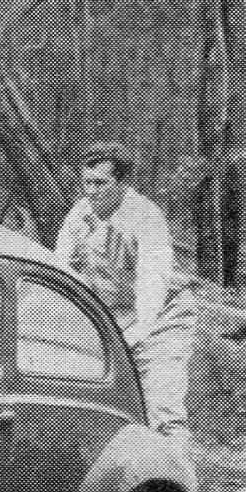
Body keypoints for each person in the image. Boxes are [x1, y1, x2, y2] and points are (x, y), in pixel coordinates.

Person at [55, 142, 197, 449]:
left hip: (161, 320)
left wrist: (132, 338)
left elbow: (152, 289)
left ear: (122, 183)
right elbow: (61, 269)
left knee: (161, 408)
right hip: (113, 316)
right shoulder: (79, 215)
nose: (91, 191)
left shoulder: (146, 217)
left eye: (100, 183)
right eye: (86, 183)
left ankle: (178, 475)